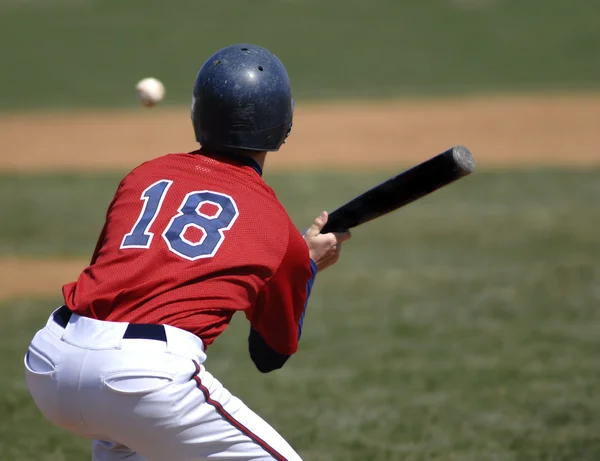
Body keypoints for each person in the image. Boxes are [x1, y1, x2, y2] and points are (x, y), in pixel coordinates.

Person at [23, 43, 351, 461]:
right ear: (282, 123)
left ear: (199, 113)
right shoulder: (275, 225)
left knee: (127, 434)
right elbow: (270, 355)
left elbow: (116, 271)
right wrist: (304, 264)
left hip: (51, 359)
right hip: (143, 382)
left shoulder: (143, 176)